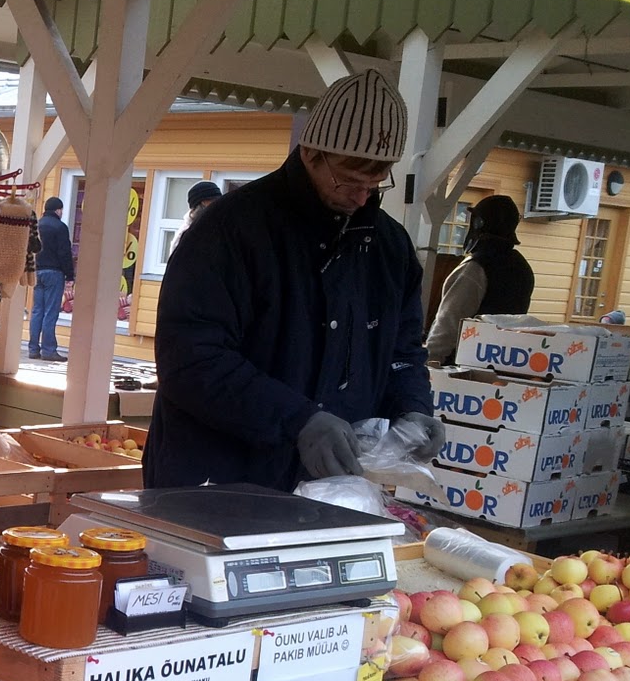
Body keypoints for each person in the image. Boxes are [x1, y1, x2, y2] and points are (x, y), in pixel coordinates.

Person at [145, 67, 441, 491]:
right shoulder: (229, 231)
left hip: (331, 488)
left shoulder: (388, 248)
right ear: (309, 153)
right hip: (217, 482)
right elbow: (190, 359)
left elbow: (404, 350)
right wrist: (296, 419)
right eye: (349, 180)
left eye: (376, 184)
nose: (361, 197)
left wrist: (413, 409)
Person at [425, 194, 534, 365]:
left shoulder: (476, 267)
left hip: (459, 365)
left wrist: (430, 362)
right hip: (501, 361)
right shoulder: (522, 267)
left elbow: (449, 322)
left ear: (479, 223)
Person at [29, 197, 75, 362]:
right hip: (54, 273)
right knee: (50, 312)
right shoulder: (60, 227)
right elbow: (64, 253)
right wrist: (70, 275)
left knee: (36, 311)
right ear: (58, 210)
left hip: (37, 271)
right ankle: (48, 350)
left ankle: (33, 348)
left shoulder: (37, 225)